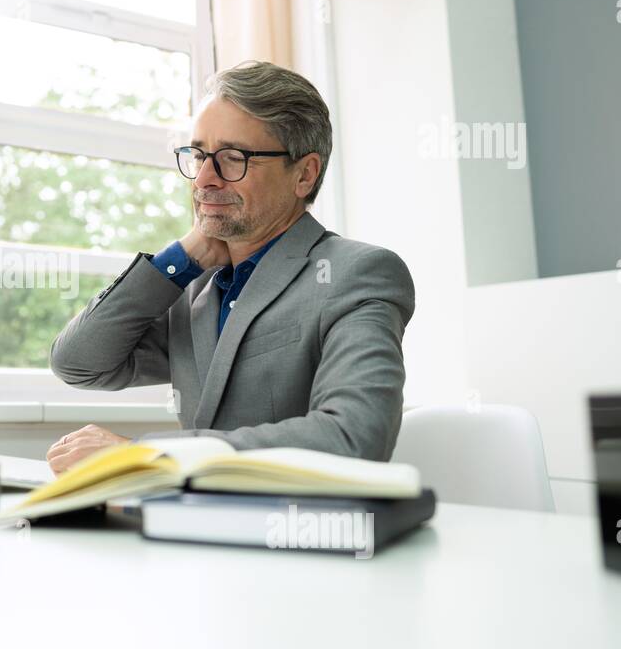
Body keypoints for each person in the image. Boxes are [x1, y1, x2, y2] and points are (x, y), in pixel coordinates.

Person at [46, 61, 414, 475]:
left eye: (232, 158)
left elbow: (354, 437)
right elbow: (78, 363)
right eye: (198, 155)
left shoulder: (358, 274)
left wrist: (147, 457)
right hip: (192, 526)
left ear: (304, 175)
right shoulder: (192, 289)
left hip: (300, 529)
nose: (204, 178)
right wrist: (181, 259)